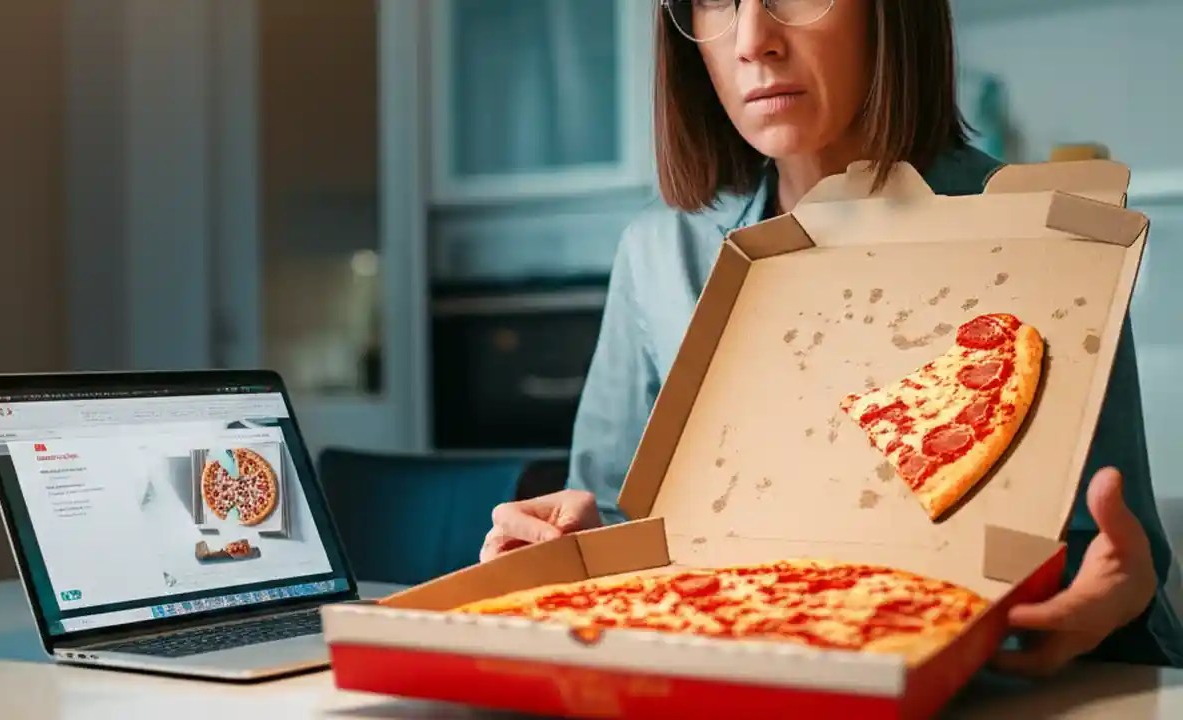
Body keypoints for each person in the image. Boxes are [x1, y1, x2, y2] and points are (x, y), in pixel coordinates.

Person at [479, 0, 1183, 675]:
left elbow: (1114, 565)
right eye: (716, 0)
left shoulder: (1047, 237)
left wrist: (1118, 597)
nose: (753, 38)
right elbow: (610, 521)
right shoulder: (658, 252)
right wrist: (561, 544)